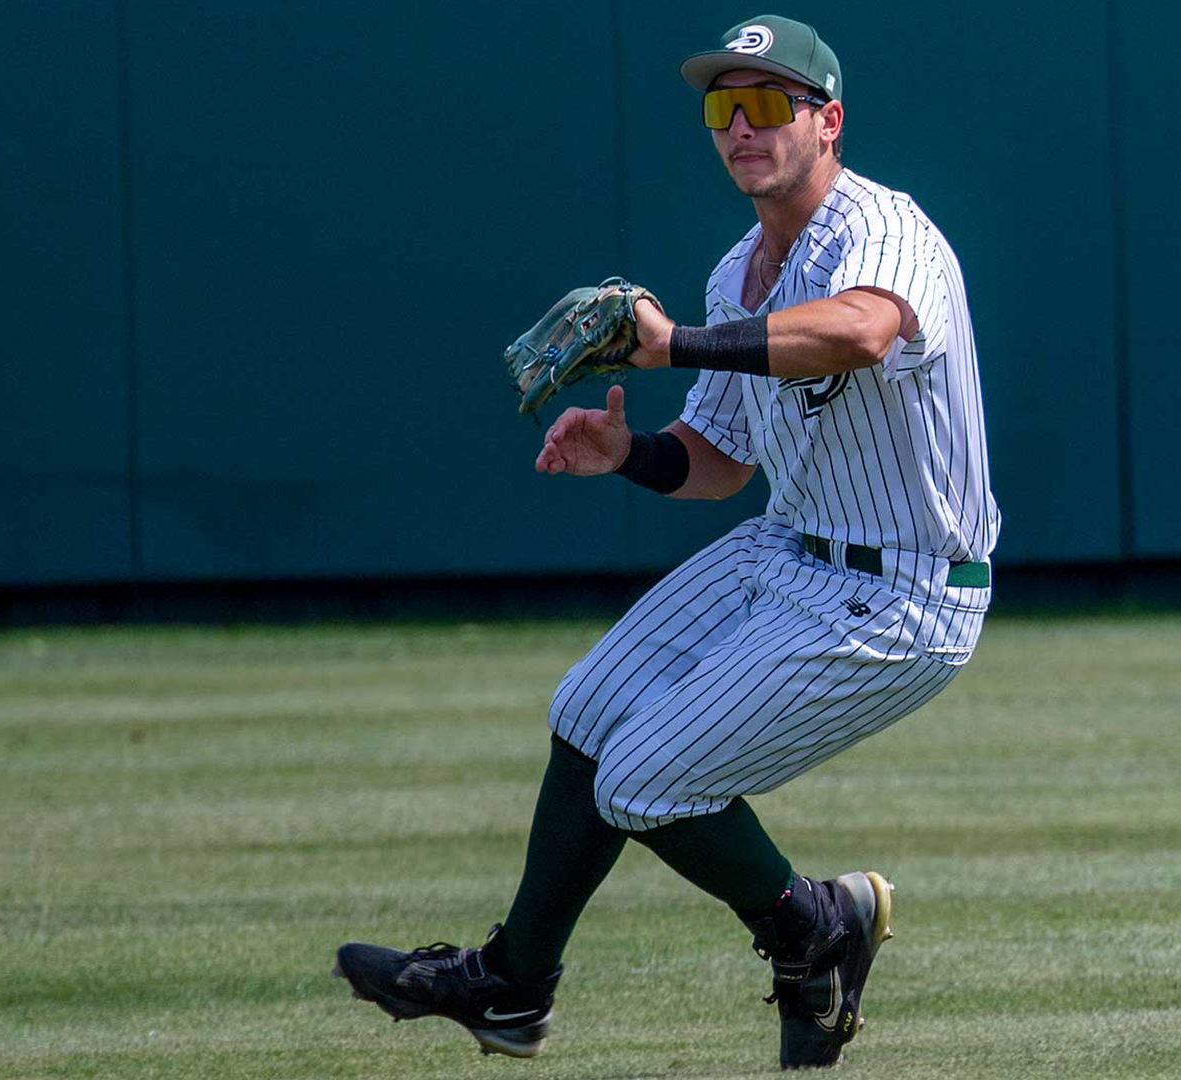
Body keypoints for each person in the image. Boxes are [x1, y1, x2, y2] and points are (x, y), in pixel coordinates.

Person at [335, 14, 998, 1069]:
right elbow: (720, 460)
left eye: (769, 103)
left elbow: (864, 328)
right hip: (785, 550)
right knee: (587, 713)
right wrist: (630, 452)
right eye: (722, 106)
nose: (743, 126)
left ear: (827, 122)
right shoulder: (739, 269)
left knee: (642, 783)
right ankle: (512, 986)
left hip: (908, 592)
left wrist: (673, 345)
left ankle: (814, 928)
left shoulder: (886, 228)